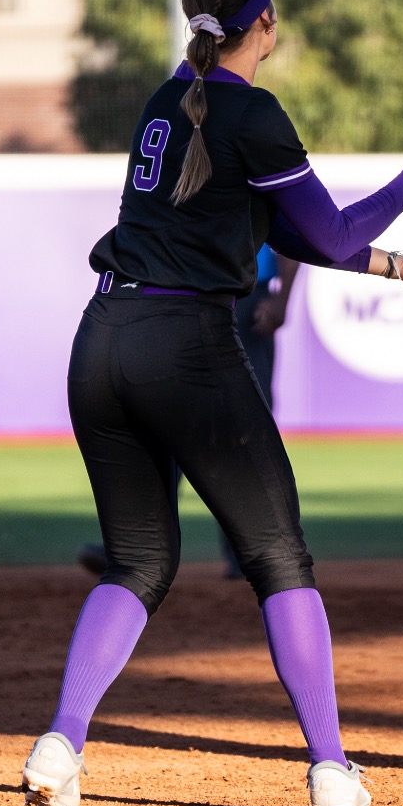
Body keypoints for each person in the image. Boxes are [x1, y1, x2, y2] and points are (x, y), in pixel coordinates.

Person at [23, 0, 403, 806]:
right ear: (264, 24)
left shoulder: (170, 99)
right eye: (271, 9)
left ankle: (61, 740)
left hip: (102, 343)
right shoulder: (254, 113)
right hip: (188, 350)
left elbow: (317, 241)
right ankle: (329, 767)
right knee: (279, 557)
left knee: (137, 560)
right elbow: (330, 225)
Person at [74, 243, 297, 581]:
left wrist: (281, 300)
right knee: (168, 414)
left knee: (245, 427)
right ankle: (133, 547)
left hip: (244, 296)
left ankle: (258, 553)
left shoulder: (258, 188)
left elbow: (293, 240)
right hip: (186, 295)